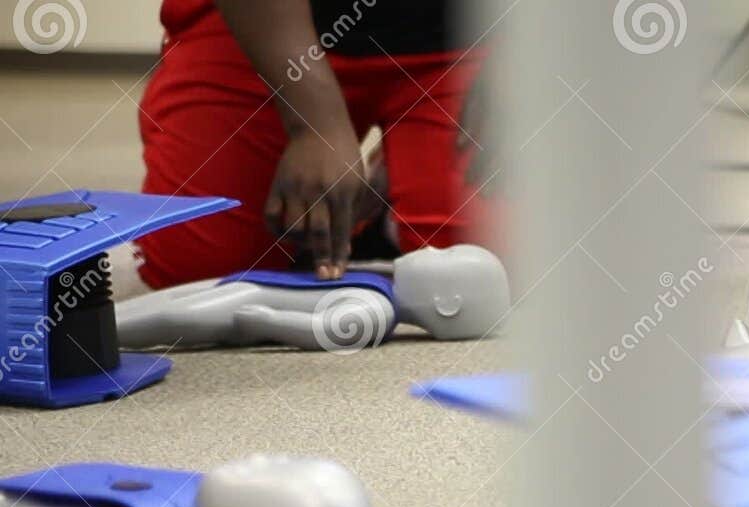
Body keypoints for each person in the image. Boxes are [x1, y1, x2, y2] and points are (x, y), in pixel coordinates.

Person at [126, 0, 490, 293]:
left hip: (465, 26)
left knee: (489, 262)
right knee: (198, 271)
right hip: (262, 27)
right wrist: (315, 125)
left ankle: (391, 196)